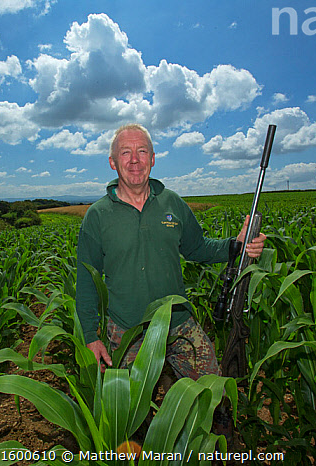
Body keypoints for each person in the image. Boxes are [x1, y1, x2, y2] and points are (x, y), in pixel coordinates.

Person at [76, 123, 266, 380]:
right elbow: (87, 280)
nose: (134, 160)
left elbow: (198, 248)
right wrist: (90, 337)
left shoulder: (172, 202)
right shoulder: (97, 216)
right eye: (125, 153)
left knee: (210, 392)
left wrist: (237, 245)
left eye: (142, 152)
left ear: (152, 159)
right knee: (130, 413)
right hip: (127, 331)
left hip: (178, 323)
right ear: (112, 162)